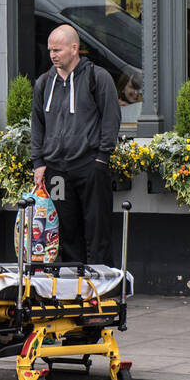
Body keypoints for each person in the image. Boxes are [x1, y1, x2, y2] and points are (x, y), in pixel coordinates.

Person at [31, 23, 121, 266]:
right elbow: (37, 124)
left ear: (74, 48)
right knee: (66, 230)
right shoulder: (44, 82)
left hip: (90, 165)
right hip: (57, 171)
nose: (52, 54)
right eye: (50, 50)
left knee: (97, 228)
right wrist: (38, 162)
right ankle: (74, 285)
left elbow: (111, 119)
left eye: (57, 50)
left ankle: (100, 286)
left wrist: (102, 158)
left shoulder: (97, 77)